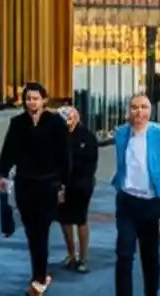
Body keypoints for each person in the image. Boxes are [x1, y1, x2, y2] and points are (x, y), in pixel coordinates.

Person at [0, 83, 72, 295]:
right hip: (25, 184)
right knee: (32, 232)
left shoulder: (55, 122)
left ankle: (39, 277)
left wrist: (64, 184)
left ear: (44, 100)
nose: (32, 102)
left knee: (42, 230)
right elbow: (8, 151)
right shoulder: (17, 123)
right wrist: (3, 175)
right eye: (28, 98)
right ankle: (40, 272)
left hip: (48, 185)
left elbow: (65, 154)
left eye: (35, 98)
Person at [112, 94, 160, 296]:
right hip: (127, 202)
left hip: (152, 205)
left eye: (144, 107)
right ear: (129, 110)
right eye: (135, 107)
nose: (139, 112)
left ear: (150, 111)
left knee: (150, 257)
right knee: (124, 255)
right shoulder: (121, 134)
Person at [58, 105, 99, 273]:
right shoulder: (59, 136)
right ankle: (71, 255)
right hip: (62, 185)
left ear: (76, 118)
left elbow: (90, 165)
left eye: (69, 118)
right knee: (64, 219)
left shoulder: (87, 137)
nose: (66, 122)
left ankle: (83, 259)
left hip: (81, 184)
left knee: (81, 219)